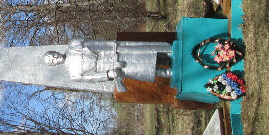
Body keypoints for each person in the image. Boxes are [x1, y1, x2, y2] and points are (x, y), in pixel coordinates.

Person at [44, 38, 173, 93]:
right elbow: (91, 78)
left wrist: (112, 47)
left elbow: (96, 44)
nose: (55, 58)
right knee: (146, 71)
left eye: (53, 55)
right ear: (54, 65)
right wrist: (108, 74)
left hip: (115, 53)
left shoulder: (74, 45)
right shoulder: (74, 74)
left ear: (55, 51)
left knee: (146, 56)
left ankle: (171, 56)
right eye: (52, 61)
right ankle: (171, 73)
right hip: (115, 69)